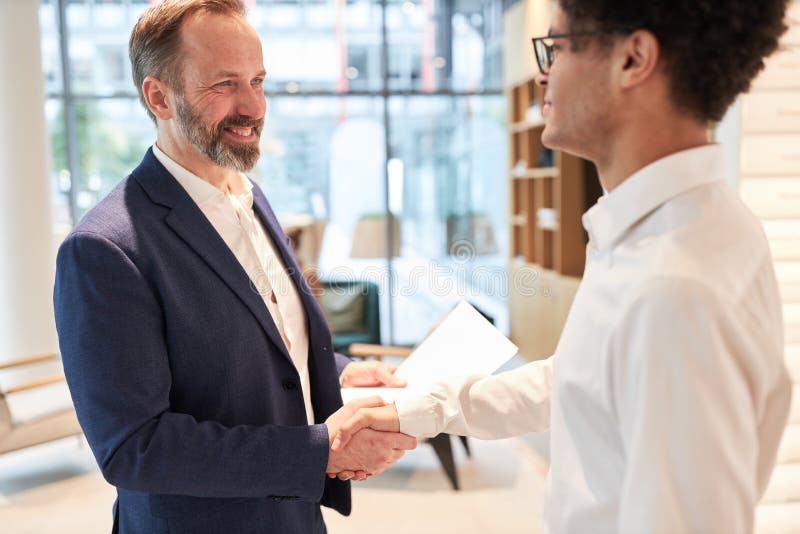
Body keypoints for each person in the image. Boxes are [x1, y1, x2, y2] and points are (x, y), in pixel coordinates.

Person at [331, 1, 794, 532]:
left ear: (633, 59)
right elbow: (576, 380)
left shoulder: (673, 288)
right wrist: (422, 406)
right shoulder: (668, 231)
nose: (542, 75)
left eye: (557, 48)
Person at [53, 1, 415, 533]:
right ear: (159, 97)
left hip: (294, 517)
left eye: (258, 81)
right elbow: (134, 446)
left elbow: (266, 339)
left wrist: (337, 373)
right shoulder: (103, 249)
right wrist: (321, 453)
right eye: (224, 84)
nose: (253, 106)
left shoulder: (250, 196)